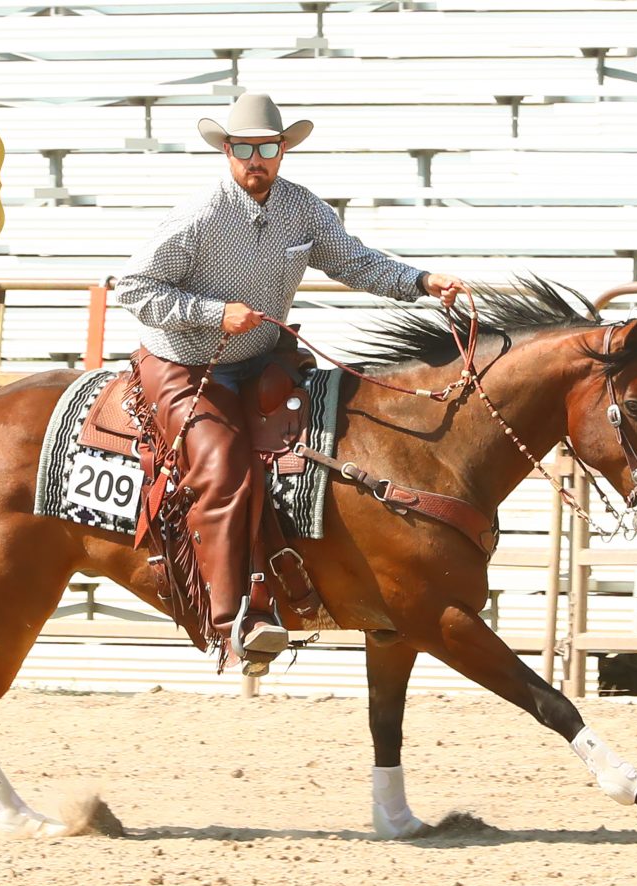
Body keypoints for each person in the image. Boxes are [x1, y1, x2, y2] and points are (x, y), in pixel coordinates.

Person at [114, 91, 466, 673]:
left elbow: (354, 261)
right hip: (185, 363)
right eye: (246, 148)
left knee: (324, 439)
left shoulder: (302, 208)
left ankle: (298, 577)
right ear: (227, 152)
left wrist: (424, 281)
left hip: (260, 355)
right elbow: (133, 288)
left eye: (268, 148)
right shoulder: (199, 215)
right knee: (224, 467)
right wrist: (212, 313)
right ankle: (231, 622)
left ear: (282, 151)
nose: (258, 159)